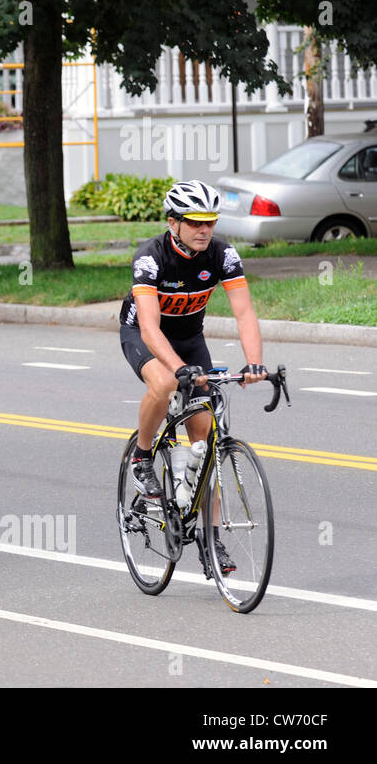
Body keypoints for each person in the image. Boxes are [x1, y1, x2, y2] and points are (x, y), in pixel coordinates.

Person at [119, 179, 268, 574]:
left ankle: (210, 540)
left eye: (210, 222)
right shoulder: (151, 258)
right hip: (146, 335)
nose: (204, 230)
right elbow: (150, 328)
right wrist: (179, 369)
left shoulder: (222, 254)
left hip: (189, 338)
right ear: (174, 223)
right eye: (195, 222)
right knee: (166, 384)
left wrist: (254, 363)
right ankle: (143, 455)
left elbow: (244, 313)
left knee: (207, 440)